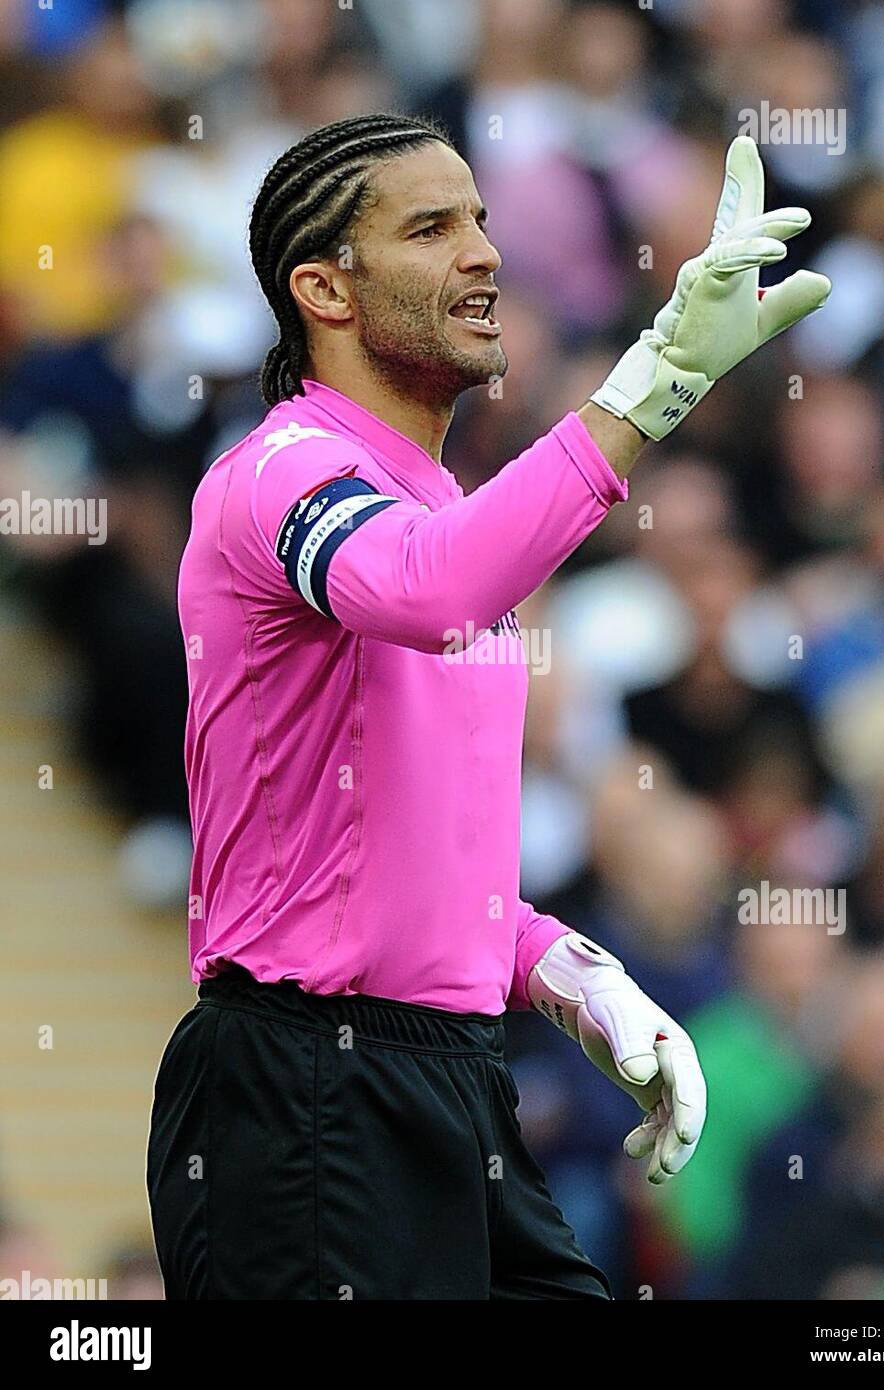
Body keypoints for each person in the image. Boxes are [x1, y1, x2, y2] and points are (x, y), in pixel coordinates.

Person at [146, 111, 829, 1300]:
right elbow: (435, 587)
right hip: (306, 1090)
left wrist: (568, 971)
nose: (483, 252)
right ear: (325, 290)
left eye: (477, 217)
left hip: (447, 1080)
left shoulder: (429, 499)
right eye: (429, 228)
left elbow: (395, 860)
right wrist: (658, 376)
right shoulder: (278, 473)